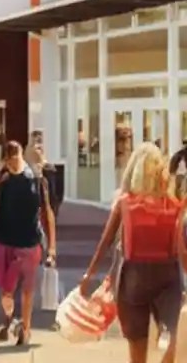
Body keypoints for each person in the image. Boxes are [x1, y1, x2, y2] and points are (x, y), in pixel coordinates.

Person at [80, 142, 184, 363]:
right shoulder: (171, 203)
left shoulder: (125, 202)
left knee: (137, 349)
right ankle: (165, 338)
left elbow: (106, 240)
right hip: (168, 278)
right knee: (169, 339)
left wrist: (89, 275)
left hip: (132, 279)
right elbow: (179, 248)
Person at [0, 140, 56, 347]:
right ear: (5, 160)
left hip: (30, 242)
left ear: (22, 155)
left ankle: (26, 329)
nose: (14, 163)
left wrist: (52, 247)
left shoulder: (37, 180)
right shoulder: (2, 180)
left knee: (28, 288)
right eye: (10, 160)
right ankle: (10, 320)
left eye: (17, 158)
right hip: (4, 241)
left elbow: (47, 213)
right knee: (7, 290)